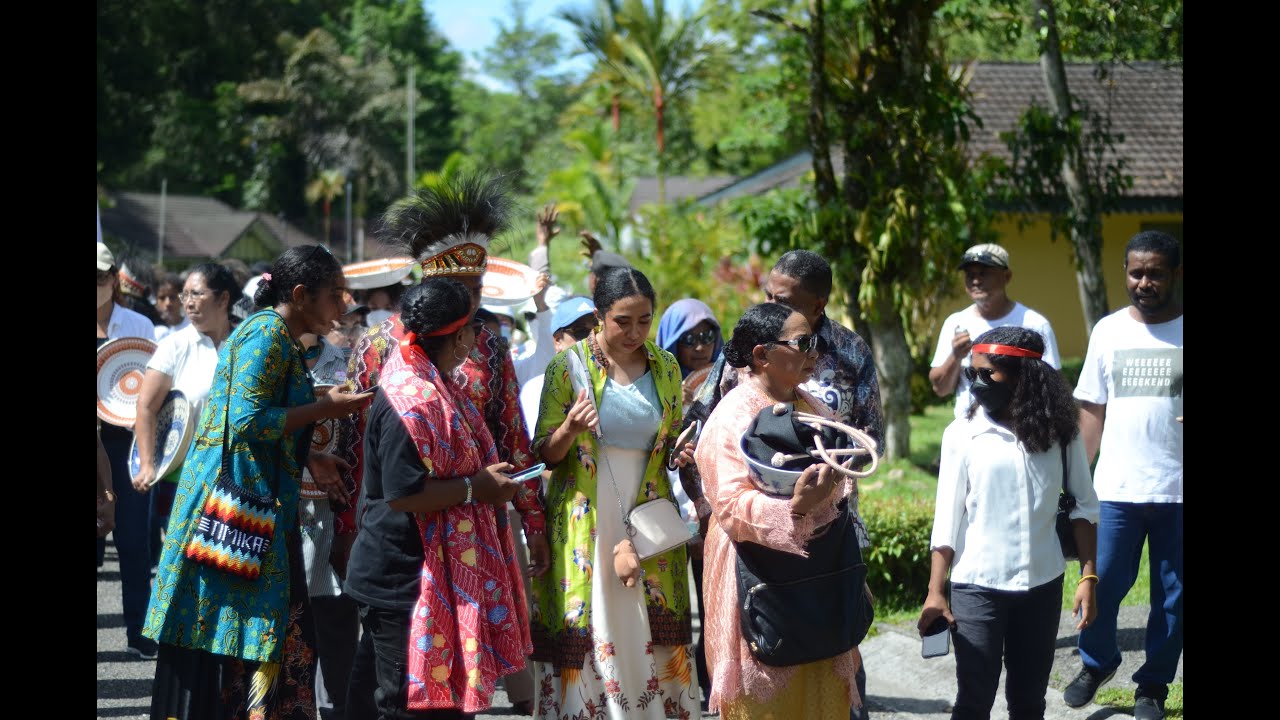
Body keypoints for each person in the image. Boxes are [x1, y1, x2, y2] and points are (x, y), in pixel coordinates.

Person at [343, 172, 549, 718]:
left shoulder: (486, 342)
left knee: (447, 672)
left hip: (470, 523)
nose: (477, 306)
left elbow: (511, 434)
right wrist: (350, 529)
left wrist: (531, 519)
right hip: (403, 529)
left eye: (481, 291)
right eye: (466, 295)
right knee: (397, 673)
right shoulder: (383, 352)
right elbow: (365, 451)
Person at [144, 244, 374, 720]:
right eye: (334, 294)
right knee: (242, 639)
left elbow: (250, 408)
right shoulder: (266, 335)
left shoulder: (274, 335)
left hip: (255, 507)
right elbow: (247, 421)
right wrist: (324, 409)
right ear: (300, 294)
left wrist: (310, 451)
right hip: (238, 513)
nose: (343, 306)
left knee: (267, 635)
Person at [683, 249, 883, 716]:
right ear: (761, 355)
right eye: (803, 345)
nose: (815, 354)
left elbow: (850, 462)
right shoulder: (730, 416)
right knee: (766, 695)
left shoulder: (815, 407)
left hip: (822, 571)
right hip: (758, 578)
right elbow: (730, 505)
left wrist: (829, 490)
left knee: (823, 691)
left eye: (814, 342)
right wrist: (793, 508)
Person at [529, 265, 700, 719]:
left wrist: (680, 452)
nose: (634, 331)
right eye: (622, 321)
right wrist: (570, 427)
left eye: (644, 320)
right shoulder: (567, 368)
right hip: (587, 518)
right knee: (595, 613)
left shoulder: (665, 367)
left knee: (646, 613)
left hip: (646, 516)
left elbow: (667, 440)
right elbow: (544, 453)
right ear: (600, 316)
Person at [919, 326, 1100, 720]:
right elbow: (946, 522)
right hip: (978, 587)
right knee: (974, 699)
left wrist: (1088, 578)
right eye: (972, 373)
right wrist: (936, 592)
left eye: (988, 373)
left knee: (1029, 701)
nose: (977, 382)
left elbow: (1084, 508)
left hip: (1043, 585)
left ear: (1024, 377)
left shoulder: (1060, 434)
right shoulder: (961, 435)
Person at [1061, 231, 1183, 720]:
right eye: (1136, 272)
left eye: (1155, 273)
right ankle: (1097, 661)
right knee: (1102, 580)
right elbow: (1091, 408)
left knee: (1174, 598)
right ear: (1125, 274)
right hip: (1114, 489)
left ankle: (1152, 685)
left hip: (1178, 491)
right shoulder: (1108, 331)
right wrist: (1073, 478)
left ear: (1174, 274)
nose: (1145, 282)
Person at [131, 263, 241, 567]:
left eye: (197, 294)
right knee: (184, 563)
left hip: (236, 473)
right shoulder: (175, 346)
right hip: (184, 476)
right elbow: (146, 406)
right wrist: (147, 464)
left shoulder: (244, 344)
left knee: (227, 562)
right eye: (185, 295)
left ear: (223, 299)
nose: (188, 302)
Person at [654, 297, 723, 706]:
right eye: (689, 339)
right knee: (667, 609)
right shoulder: (657, 384)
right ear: (670, 342)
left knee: (711, 605)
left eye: (708, 335)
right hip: (662, 510)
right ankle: (671, 692)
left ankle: (712, 685)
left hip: (707, 513)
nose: (700, 346)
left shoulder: (728, 382)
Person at [96, 241, 157, 658]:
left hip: (127, 440)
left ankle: (139, 630)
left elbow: (152, 386)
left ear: (114, 278)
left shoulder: (139, 324)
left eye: (99, 277)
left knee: (135, 541)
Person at [928, 243, 1061, 420]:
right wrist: (956, 355)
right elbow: (940, 389)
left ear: (1007, 276)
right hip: (969, 434)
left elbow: (1052, 388)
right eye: (970, 275)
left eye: (984, 273)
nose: (976, 281)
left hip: (1019, 431)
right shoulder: (955, 323)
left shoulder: (1034, 323)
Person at [518, 296, 597, 439]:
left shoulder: (619, 381)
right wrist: (569, 429)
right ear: (558, 340)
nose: (592, 338)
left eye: (598, 330)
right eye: (581, 332)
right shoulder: (536, 389)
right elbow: (539, 450)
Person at [153, 272, 188, 340]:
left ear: (182, 299)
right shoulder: (151, 329)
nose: (168, 303)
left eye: (172, 297)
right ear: (156, 301)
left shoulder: (192, 327)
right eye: (162, 298)